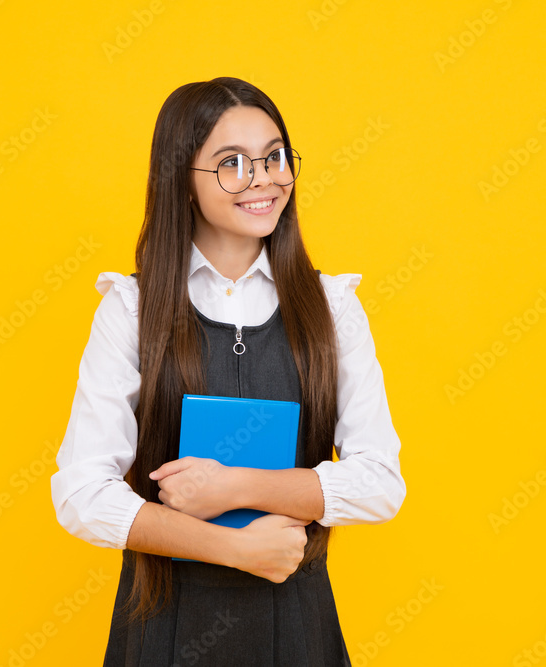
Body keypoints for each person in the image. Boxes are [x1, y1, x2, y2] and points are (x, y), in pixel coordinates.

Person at [50, 76, 405, 666]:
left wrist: (233, 487)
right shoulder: (132, 309)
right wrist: (234, 547)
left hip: (296, 629)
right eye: (232, 163)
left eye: (274, 156)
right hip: (163, 630)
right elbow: (82, 494)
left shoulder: (332, 307)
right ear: (182, 183)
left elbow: (379, 482)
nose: (264, 177)